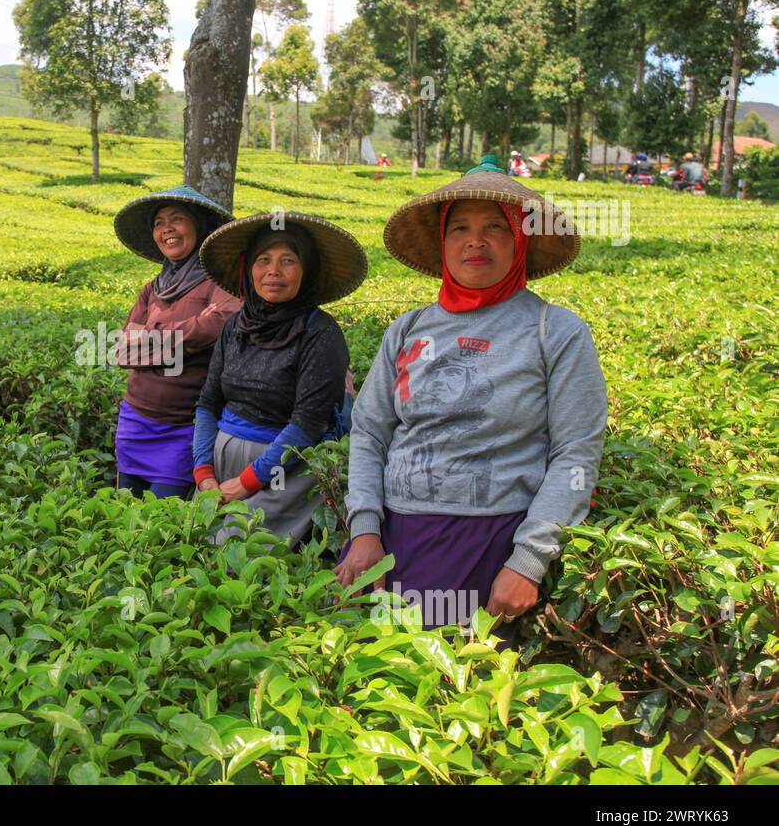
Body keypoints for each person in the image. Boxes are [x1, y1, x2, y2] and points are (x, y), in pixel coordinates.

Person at [334, 154, 608, 641]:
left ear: (520, 239)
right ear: (443, 241)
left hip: (486, 543)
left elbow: (575, 455)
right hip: (390, 539)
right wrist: (364, 530)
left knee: (448, 694)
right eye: (459, 228)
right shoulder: (408, 329)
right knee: (368, 687)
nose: (474, 241)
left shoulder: (556, 332)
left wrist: (527, 561)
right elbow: (371, 431)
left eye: (496, 228)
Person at [192, 212, 368, 548]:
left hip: (285, 470)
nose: (273, 271)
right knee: (202, 549)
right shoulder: (236, 326)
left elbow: (307, 424)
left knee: (240, 556)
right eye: (263, 260)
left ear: (307, 270)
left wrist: (246, 482)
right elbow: (208, 402)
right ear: (249, 268)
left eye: (288, 260)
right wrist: (203, 473)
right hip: (220, 463)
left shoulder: (320, 333)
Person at [111, 186, 240, 499]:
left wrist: (152, 337)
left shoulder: (220, 282)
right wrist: (183, 343)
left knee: (162, 519)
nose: (166, 228)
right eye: (158, 222)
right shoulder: (152, 288)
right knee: (124, 510)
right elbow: (124, 350)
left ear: (199, 227)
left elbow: (219, 323)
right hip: (135, 419)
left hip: (182, 426)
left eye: (177, 219)